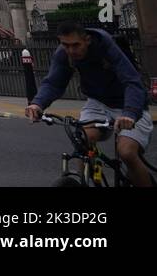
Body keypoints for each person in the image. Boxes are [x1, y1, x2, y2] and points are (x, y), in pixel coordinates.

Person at [27, 22, 152, 187]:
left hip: (130, 104)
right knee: (83, 144)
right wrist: (37, 104)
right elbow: (53, 83)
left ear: (87, 40)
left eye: (76, 45)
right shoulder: (64, 54)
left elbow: (132, 82)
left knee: (127, 152)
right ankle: (88, 181)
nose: (71, 50)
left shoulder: (105, 46)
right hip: (98, 103)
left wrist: (129, 113)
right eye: (65, 45)